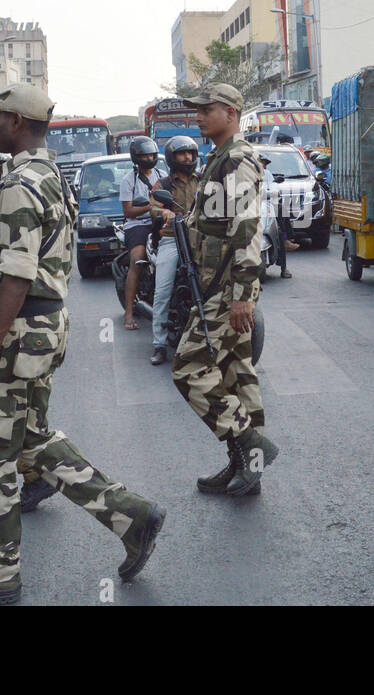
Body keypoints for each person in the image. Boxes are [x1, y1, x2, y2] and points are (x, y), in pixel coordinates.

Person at [0, 85, 164, 605]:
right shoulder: (48, 174)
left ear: (16, 122)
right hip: (41, 332)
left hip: (15, 338)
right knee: (30, 438)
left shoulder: (18, 184)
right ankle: (131, 514)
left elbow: (15, 275)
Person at [171, 83, 279, 497]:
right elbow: (216, 220)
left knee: (187, 368)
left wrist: (241, 296)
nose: (198, 116)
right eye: (196, 110)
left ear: (231, 112)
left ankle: (251, 444)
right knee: (236, 373)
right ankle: (245, 466)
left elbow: (247, 228)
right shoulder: (219, 158)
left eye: (206, 109)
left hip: (227, 288)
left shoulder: (236, 159)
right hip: (220, 283)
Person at [148, 135, 200, 366]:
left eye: (190, 153)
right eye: (182, 153)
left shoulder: (203, 181)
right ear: (172, 157)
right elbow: (152, 208)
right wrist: (164, 213)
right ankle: (159, 344)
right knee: (162, 291)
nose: (188, 157)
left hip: (199, 239)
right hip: (172, 239)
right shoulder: (164, 185)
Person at [120, 136, 159, 330]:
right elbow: (127, 211)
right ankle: (128, 313)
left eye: (151, 154)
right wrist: (149, 208)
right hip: (137, 225)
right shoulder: (129, 180)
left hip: (160, 221)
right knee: (137, 259)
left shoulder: (161, 174)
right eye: (145, 155)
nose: (149, 157)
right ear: (136, 157)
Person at [259, 155, 293, 279]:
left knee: (278, 229)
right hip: (248, 207)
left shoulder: (267, 174)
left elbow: (274, 189)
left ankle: (284, 267)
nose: (263, 166)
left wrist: (271, 193)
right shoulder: (245, 174)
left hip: (266, 206)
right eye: (262, 162)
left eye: (264, 164)